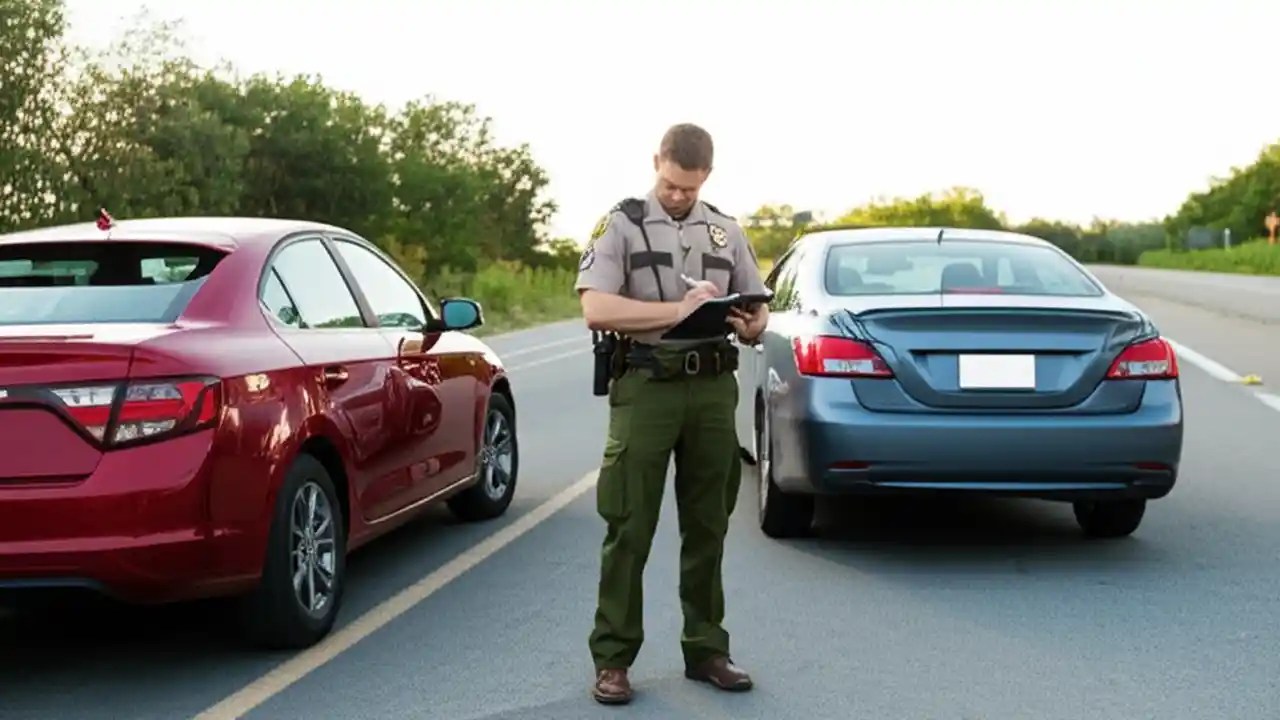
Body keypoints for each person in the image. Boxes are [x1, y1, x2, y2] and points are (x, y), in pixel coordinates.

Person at [574, 122, 769, 705]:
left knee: (708, 524)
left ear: (707, 176)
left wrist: (752, 322)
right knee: (629, 525)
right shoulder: (621, 224)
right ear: (655, 161)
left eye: (690, 187)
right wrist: (674, 311)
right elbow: (595, 307)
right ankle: (613, 659)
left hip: (712, 389)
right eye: (670, 184)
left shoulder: (726, 230)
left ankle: (707, 649)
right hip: (647, 385)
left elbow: (757, 304)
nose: (678, 195)